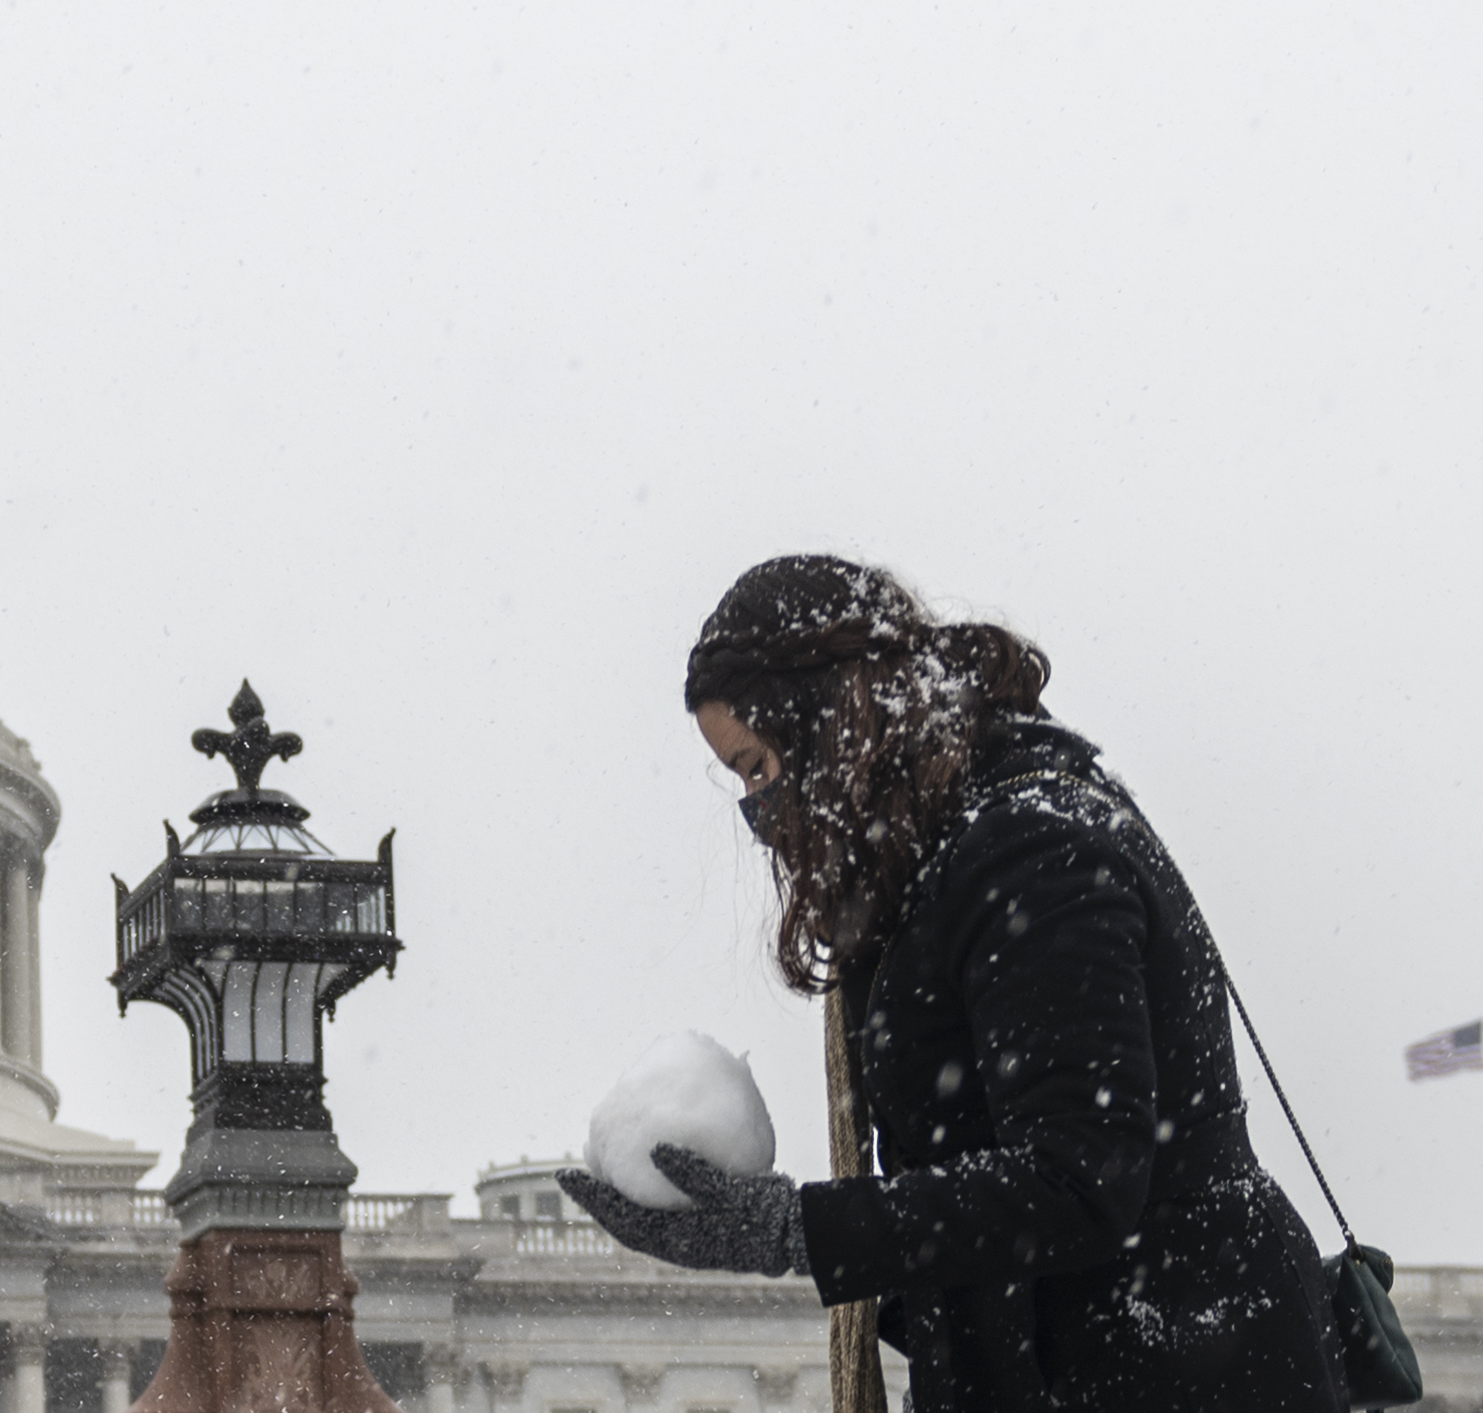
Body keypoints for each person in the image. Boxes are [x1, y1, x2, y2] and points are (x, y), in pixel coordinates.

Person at [560, 555, 1348, 1412]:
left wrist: (795, 1230)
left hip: (1171, 1366)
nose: (758, 814)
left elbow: (1082, 1184)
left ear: (827, 723)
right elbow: (991, 1202)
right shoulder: (943, 860)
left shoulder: (1032, 851)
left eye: (757, 766)